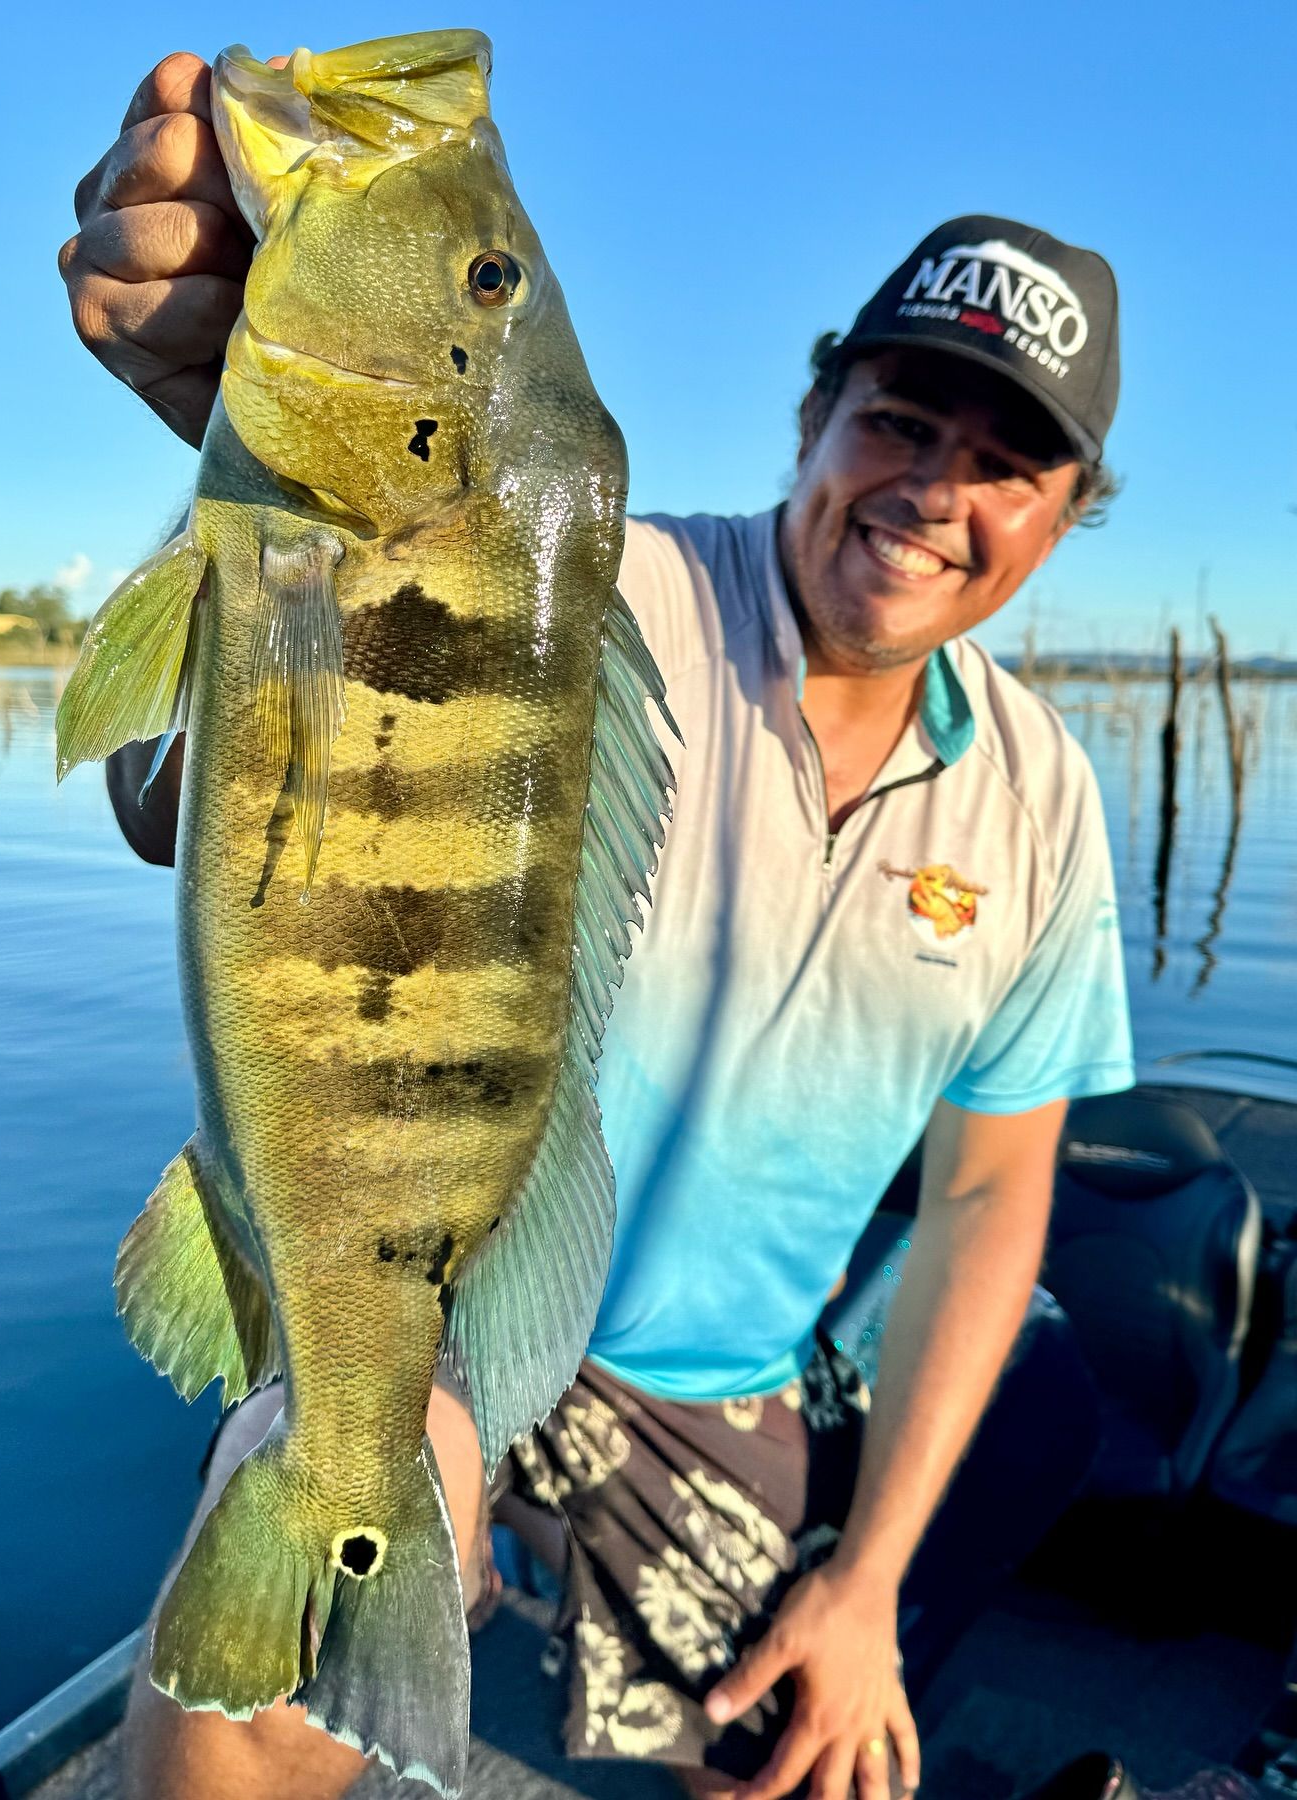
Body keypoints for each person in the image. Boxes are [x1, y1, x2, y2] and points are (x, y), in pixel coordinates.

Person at [59, 50, 1134, 1800]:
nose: (939, 487)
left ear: (1066, 517)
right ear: (814, 417)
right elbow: (174, 798)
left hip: (715, 1398)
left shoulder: (1043, 803)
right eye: (902, 419)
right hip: (451, 1310)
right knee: (294, 1547)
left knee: (806, 1744)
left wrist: (863, 1588)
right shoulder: (592, 570)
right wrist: (229, 461)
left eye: (1010, 461)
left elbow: (999, 1192)